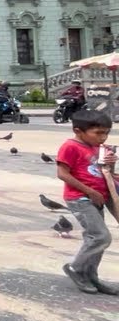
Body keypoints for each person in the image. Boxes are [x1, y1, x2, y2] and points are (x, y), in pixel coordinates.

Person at [56, 110, 119, 295]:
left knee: (94, 238)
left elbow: (104, 171)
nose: (103, 137)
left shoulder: (99, 148)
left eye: (106, 132)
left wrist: (111, 162)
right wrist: (90, 191)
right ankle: (75, 268)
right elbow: (62, 173)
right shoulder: (70, 146)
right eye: (98, 133)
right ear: (78, 131)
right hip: (80, 198)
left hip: (98, 197)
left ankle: (91, 276)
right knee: (100, 237)